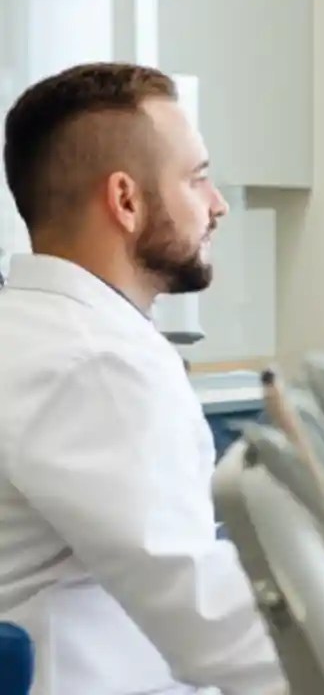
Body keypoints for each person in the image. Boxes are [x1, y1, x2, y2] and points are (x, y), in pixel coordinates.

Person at [0, 64, 286, 693]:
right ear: (126, 200)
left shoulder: (33, 329)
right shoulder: (91, 363)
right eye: (199, 178)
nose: (216, 206)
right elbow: (212, 628)